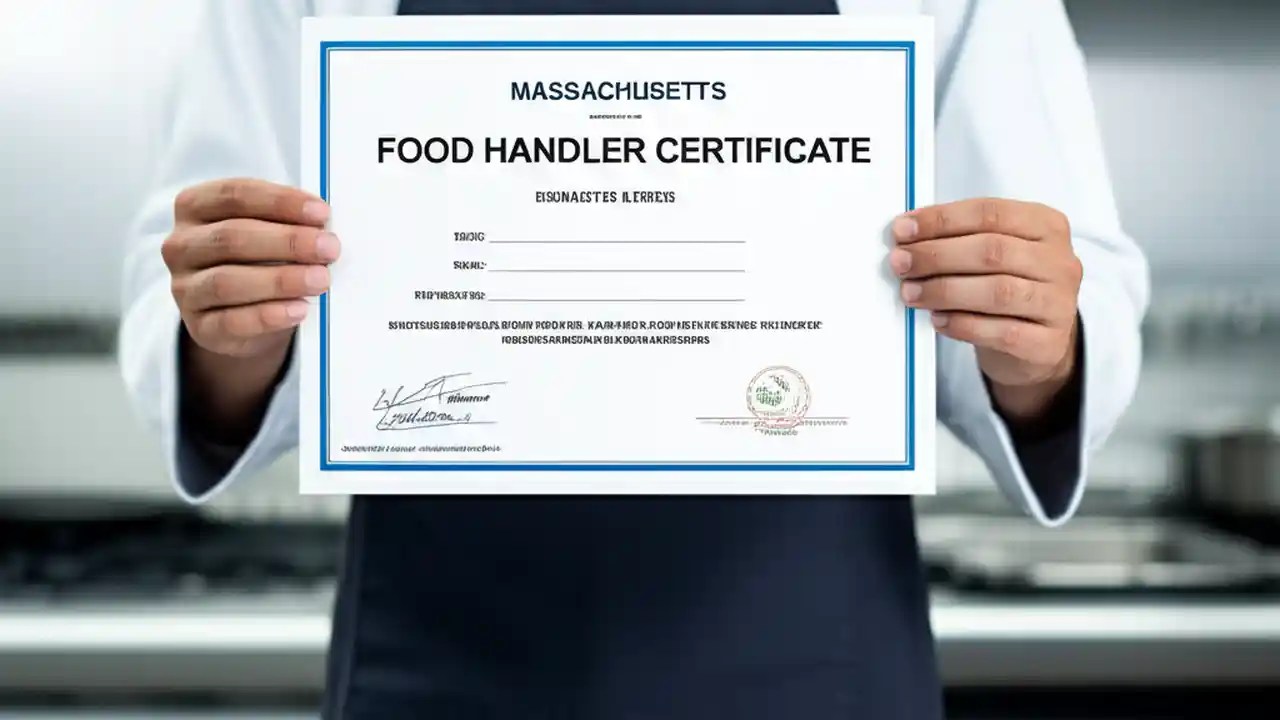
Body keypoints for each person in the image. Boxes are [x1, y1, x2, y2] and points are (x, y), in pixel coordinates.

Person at [119, 1, 1148, 718]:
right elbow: (199, 299)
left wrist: (1035, 341)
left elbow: (1066, 284)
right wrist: (229, 329)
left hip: (808, 678)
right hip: (436, 676)